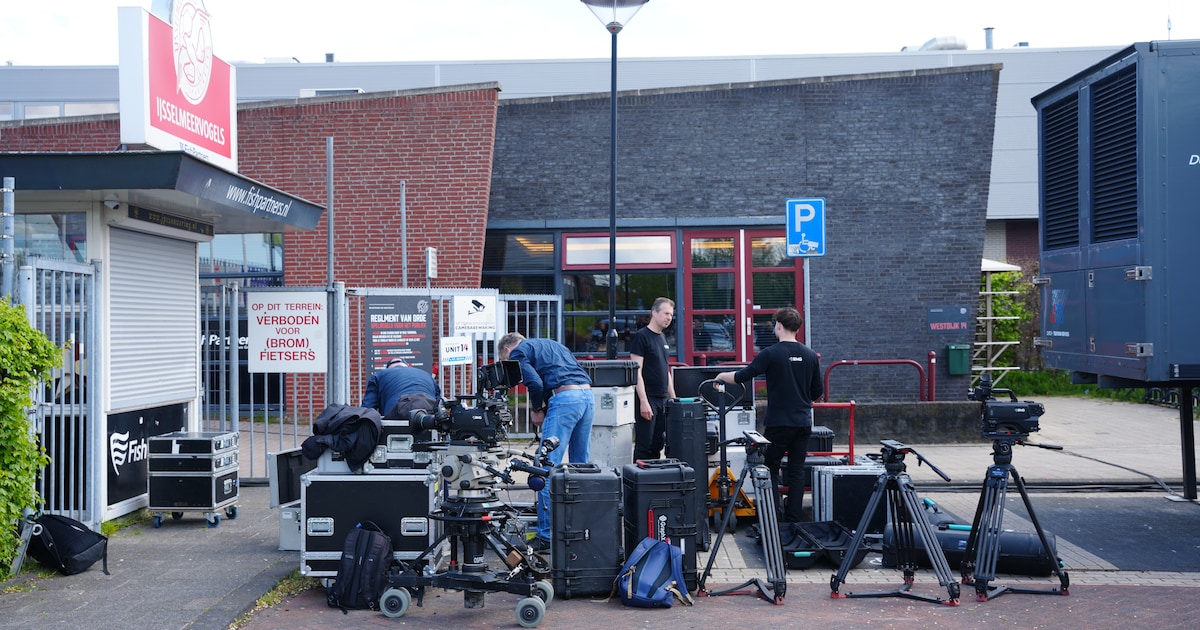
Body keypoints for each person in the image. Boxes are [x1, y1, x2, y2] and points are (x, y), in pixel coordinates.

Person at [716, 306, 822, 523]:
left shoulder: (771, 353)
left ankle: (773, 517)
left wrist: (720, 375)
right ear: (798, 329)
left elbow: (742, 376)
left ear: (779, 326)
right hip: (803, 423)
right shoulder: (810, 355)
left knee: (770, 467)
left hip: (778, 423)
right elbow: (817, 393)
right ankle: (793, 519)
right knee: (796, 471)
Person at [497, 332, 594, 553]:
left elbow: (534, 382)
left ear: (508, 351)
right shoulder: (554, 345)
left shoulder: (520, 351)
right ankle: (580, 529)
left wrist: (536, 409)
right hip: (587, 398)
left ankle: (546, 536)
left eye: (507, 363)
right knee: (580, 467)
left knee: (544, 469)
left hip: (566, 399)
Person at [630, 297, 677, 461]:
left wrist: (674, 399)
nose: (669, 317)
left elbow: (666, 371)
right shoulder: (641, 337)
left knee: (658, 443)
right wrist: (643, 401)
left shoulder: (663, 338)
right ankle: (639, 481)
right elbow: (637, 371)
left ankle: (654, 478)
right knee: (645, 444)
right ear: (654, 313)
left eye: (671, 314)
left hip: (661, 400)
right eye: (666, 313)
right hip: (647, 398)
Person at [361, 357, 441, 417]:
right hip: (428, 410)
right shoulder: (426, 375)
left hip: (398, 412)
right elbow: (439, 402)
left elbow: (367, 409)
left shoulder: (380, 375)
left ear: (389, 368)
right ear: (407, 366)